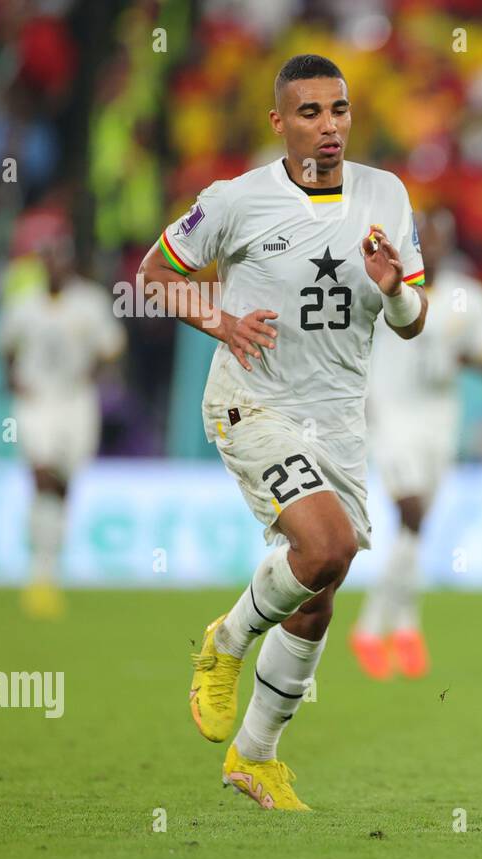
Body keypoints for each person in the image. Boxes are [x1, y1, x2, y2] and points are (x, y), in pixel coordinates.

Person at [139, 54, 427, 810]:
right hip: (253, 404)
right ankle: (227, 640)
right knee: (324, 546)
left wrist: (395, 291)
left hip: (338, 419)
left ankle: (255, 757)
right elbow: (155, 276)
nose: (327, 126)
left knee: (319, 590)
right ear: (278, 122)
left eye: (338, 110)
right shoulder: (236, 201)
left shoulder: (386, 194)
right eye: (309, 113)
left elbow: (412, 320)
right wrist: (220, 319)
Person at [351, 208, 482, 679]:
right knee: (411, 513)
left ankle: (403, 625)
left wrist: (468, 359)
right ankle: (371, 626)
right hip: (392, 418)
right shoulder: (382, 289)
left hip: (441, 424)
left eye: (440, 238)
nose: (433, 247)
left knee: (414, 532)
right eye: (425, 239)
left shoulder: (467, 298)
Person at [0, 231, 124, 618]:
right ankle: (40, 573)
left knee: (64, 482)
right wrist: (14, 378)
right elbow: (6, 346)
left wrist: (93, 372)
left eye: (58, 258)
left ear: (69, 262)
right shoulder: (24, 305)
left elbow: (111, 347)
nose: (52, 265)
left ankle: (48, 559)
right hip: (37, 399)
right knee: (43, 472)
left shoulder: (89, 302)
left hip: (75, 401)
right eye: (45, 258)